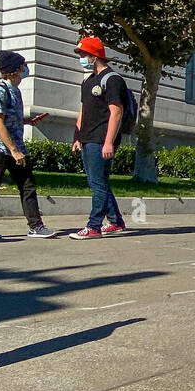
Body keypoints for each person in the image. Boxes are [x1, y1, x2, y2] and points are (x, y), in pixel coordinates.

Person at [0, 51, 57, 241]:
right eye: (23, 66)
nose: (26, 69)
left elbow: (8, 120)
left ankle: (36, 226)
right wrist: (14, 150)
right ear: (15, 70)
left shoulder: (14, 91)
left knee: (27, 185)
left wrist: (27, 121)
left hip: (14, 147)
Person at [69, 36, 135, 240]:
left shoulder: (113, 80)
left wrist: (108, 142)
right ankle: (115, 222)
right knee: (97, 182)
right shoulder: (88, 81)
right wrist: (77, 136)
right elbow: (83, 110)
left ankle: (94, 226)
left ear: (95, 55)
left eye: (83, 54)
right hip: (87, 138)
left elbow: (116, 112)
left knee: (98, 183)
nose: (81, 58)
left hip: (101, 139)